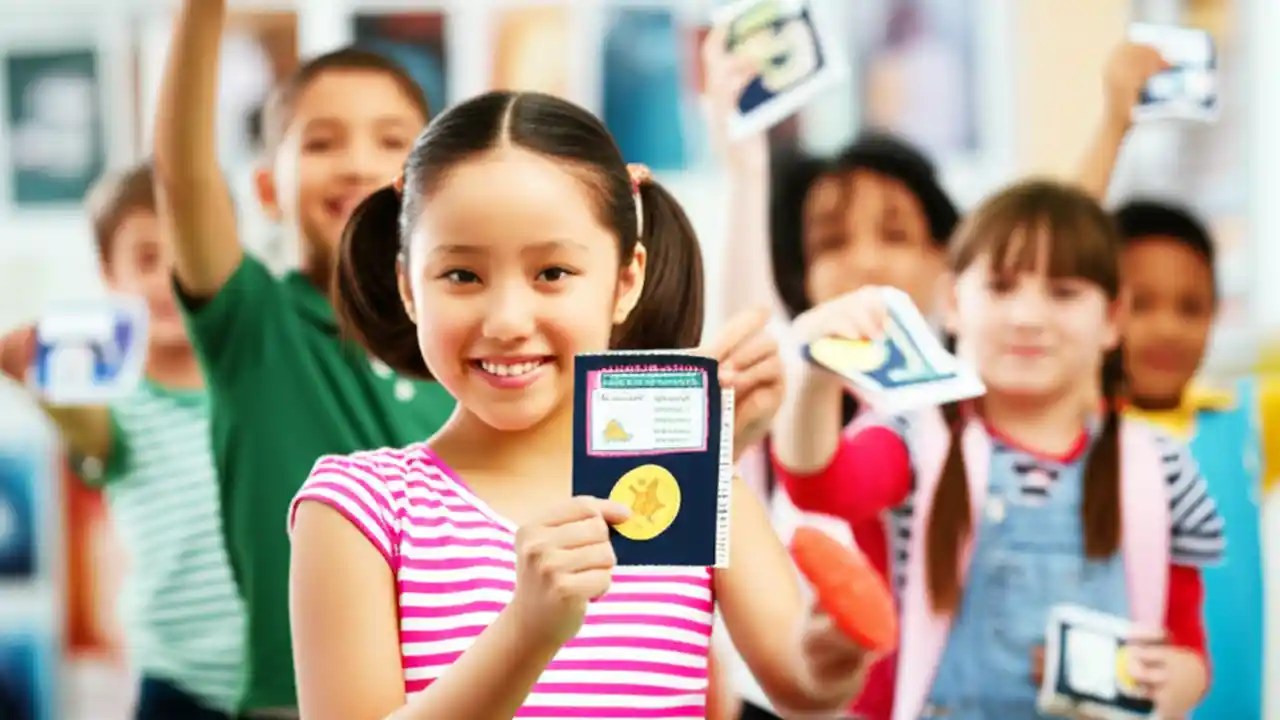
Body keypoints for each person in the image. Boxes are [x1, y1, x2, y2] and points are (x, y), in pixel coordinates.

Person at [287, 89, 874, 720]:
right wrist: (527, 632)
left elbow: (802, 686)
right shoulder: (359, 507)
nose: (508, 320)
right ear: (408, 287)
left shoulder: (688, 484)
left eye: (553, 273)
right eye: (461, 275)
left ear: (625, 282)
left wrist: (831, 651)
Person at [772, 180, 1222, 720]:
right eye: (1002, 287)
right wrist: (814, 374)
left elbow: (1187, 638)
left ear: (1113, 319)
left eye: (1063, 293)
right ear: (955, 302)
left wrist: (1181, 683)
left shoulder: (1158, 466)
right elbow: (819, 482)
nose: (1028, 317)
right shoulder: (918, 437)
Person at [152, 1, 455, 713]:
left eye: (391, 142)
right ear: (266, 190)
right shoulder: (253, 321)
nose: (356, 162)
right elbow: (181, 174)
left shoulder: (464, 345)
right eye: (320, 143)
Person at [700, 24, 959, 719]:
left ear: (948, 261)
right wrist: (747, 166)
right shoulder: (790, 395)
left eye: (896, 234)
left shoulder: (969, 410)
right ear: (802, 274)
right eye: (831, 241)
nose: (864, 260)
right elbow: (749, 337)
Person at [0, 163, 244, 720]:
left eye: (191, 252)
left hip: (283, 676)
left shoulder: (254, 382)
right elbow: (89, 438)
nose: (172, 278)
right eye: (148, 259)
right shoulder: (116, 401)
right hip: (172, 677)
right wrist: (36, 379)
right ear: (109, 274)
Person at [1113, 199, 1268, 719]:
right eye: (1142, 304)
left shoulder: (1246, 420)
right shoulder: (1080, 433)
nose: (1167, 329)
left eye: (1190, 307)